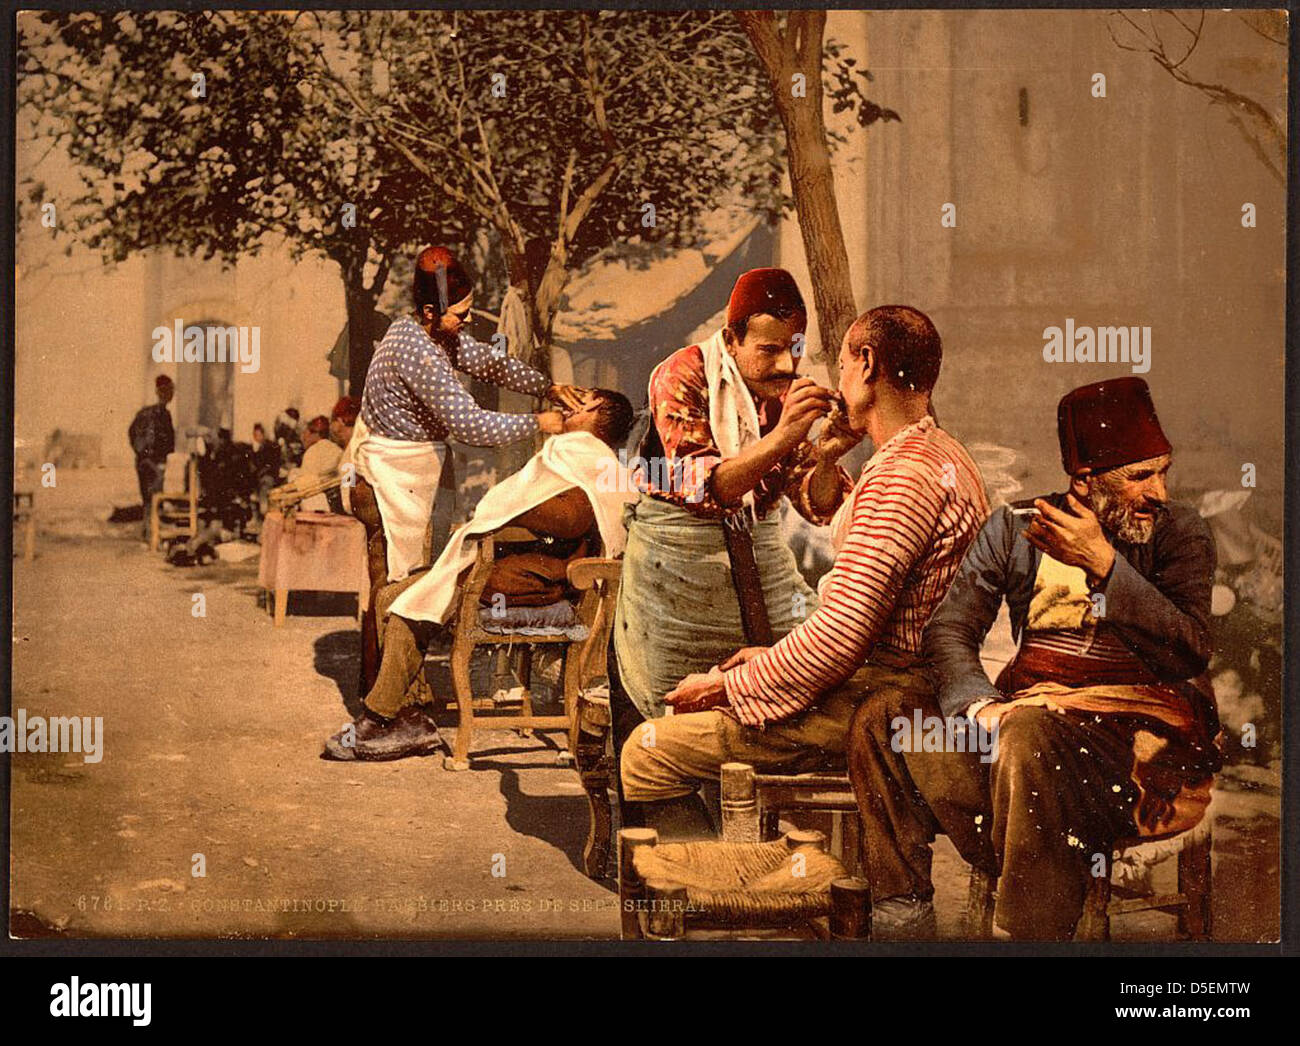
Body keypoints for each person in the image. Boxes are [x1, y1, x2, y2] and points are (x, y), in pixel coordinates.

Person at [847, 376, 1221, 939]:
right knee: (885, 717)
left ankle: (1026, 936)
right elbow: (949, 628)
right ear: (1086, 480)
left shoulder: (1179, 533)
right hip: (1027, 730)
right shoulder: (1016, 528)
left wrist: (1104, 564)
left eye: (1163, 471)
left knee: (1028, 738)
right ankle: (904, 919)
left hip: (1139, 747)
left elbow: (1190, 649)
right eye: (1141, 476)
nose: (1159, 492)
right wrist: (977, 706)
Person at [620, 306, 988, 841]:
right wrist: (822, 457)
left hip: (881, 693)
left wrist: (728, 686)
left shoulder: (902, 477)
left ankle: (723, 888)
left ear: (865, 365)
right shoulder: (939, 455)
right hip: (893, 683)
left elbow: (841, 638)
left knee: (645, 752)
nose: (831, 379)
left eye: (839, 365)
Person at [323, 390, 636, 761]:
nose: (568, 406)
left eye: (580, 401)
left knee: (408, 607)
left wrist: (510, 510)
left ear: (598, 412)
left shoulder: (589, 456)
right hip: (520, 571)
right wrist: (506, 510)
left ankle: (381, 716)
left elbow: (572, 520)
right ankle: (411, 715)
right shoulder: (575, 452)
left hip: (542, 583)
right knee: (391, 595)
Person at [613, 268, 859, 738]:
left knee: (810, 666)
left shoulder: (782, 391)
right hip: (678, 566)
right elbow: (707, 487)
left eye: (794, 348)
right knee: (672, 709)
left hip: (759, 559)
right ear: (731, 339)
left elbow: (815, 504)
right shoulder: (681, 374)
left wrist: (826, 457)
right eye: (769, 350)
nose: (786, 364)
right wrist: (787, 435)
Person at [347, 245, 590, 692]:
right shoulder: (416, 351)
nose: (468, 321)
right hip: (394, 477)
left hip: (411, 472)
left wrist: (547, 386)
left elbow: (488, 361)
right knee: (403, 586)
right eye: (460, 314)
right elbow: (471, 424)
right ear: (427, 311)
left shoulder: (432, 334)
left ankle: (390, 693)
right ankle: (395, 702)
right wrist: (539, 420)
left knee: (404, 583)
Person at [128, 375, 175, 542]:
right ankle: (151, 536)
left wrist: (141, 454)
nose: (171, 394)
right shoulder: (161, 414)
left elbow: (132, 433)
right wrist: (158, 461)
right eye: (169, 390)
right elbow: (169, 443)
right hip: (154, 463)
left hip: (143, 462)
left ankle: (147, 533)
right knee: (154, 499)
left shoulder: (144, 412)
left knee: (148, 500)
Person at [290, 415, 342, 513]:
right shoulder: (337, 449)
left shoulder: (312, 452)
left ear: (315, 434)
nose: (303, 438)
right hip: (337, 505)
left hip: (316, 506)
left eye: (306, 434)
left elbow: (305, 487)